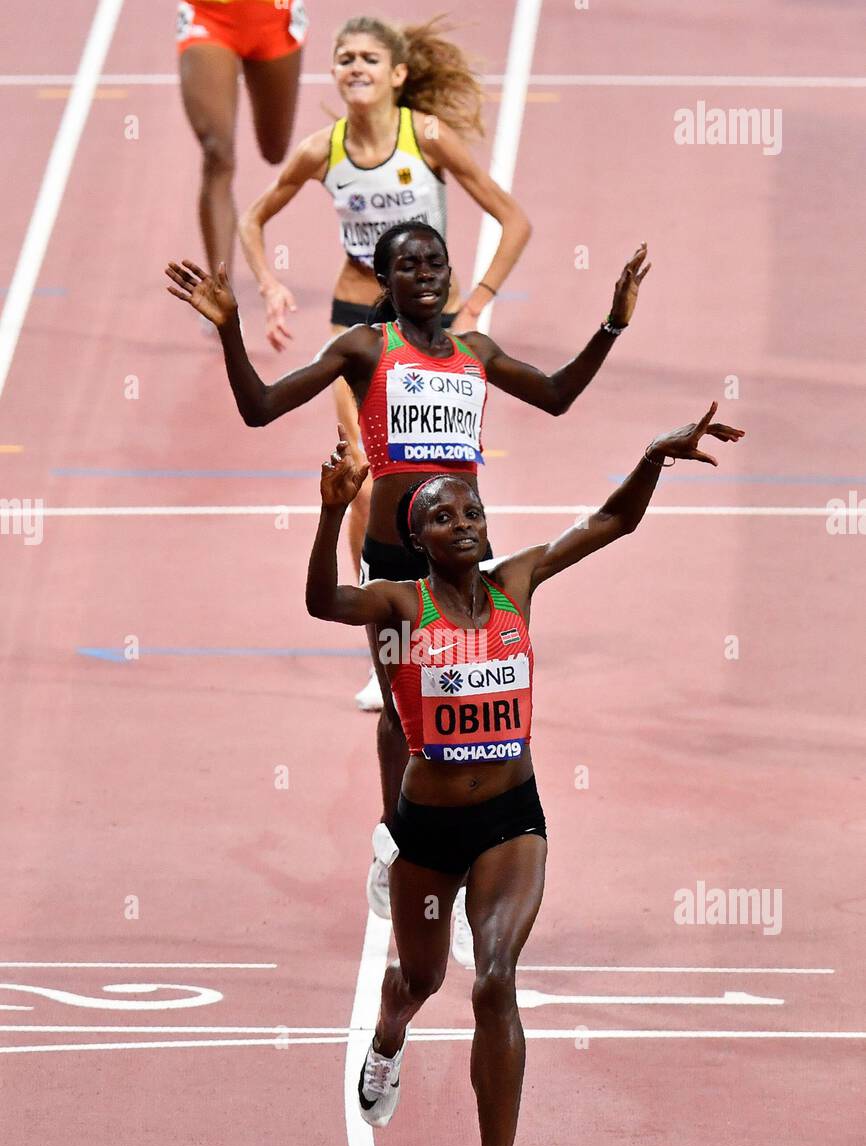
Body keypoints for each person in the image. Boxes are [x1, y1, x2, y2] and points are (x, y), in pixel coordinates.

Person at [305, 404, 745, 1146]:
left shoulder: (520, 581)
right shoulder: (401, 602)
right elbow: (324, 598)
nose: (462, 522)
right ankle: (388, 1039)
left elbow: (611, 521)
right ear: (418, 537)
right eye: (441, 514)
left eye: (470, 509)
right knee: (422, 981)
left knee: (494, 980)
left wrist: (653, 454)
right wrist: (330, 512)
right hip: (428, 828)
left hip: (512, 819)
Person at [164, 224, 651, 936]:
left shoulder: (475, 353)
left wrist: (612, 323)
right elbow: (259, 406)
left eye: (434, 261)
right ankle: (397, 838)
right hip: (396, 565)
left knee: (470, 718)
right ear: (385, 280)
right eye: (406, 264)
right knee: (402, 714)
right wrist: (232, 327)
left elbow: (555, 395)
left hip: (463, 559)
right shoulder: (364, 348)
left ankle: (472, 864)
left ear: (449, 275)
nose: (423, 272)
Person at [237, 14, 531, 709]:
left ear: (397, 74)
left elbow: (513, 217)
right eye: (344, 58)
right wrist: (272, 285)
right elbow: (252, 218)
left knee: (441, 477)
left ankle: (464, 617)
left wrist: (479, 299)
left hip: (433, 330)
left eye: (369, 56)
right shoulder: (321, 151)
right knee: (364, 480)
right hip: (360, 325)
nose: (354, 67)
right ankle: (386, 646)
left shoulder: (425, 137)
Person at [176, 0, 309, 276]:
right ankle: (220, 290)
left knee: (274, 150)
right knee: (217, 153)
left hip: (275, 17)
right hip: (209, 17)